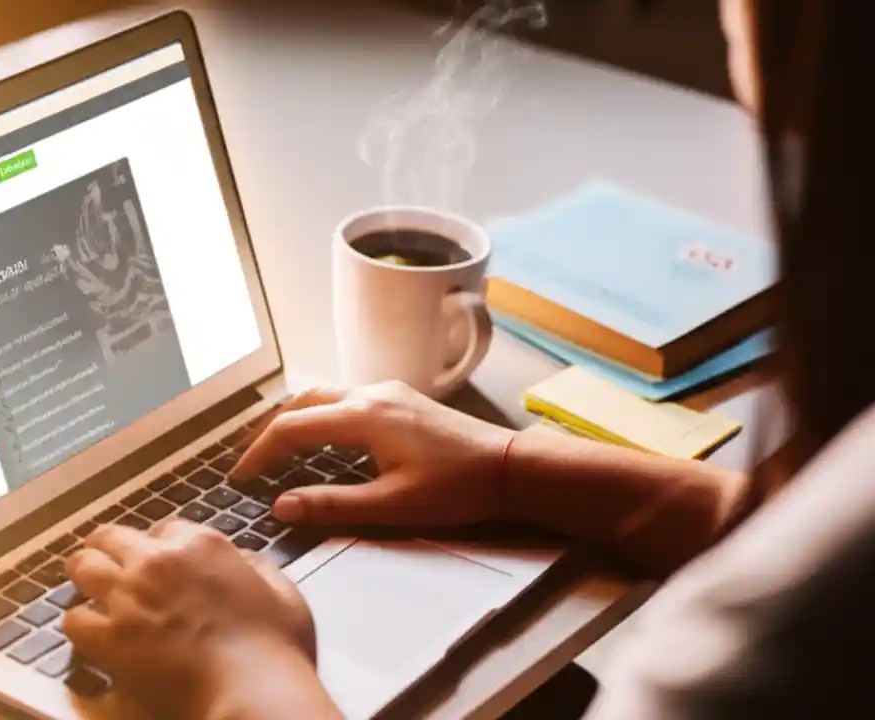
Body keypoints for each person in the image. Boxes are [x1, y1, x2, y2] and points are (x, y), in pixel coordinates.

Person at [60, 1, 875, 717]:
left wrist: (240, 672)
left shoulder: (747, 663)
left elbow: (816, 575)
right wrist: (513, 470)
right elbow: (815, 535)